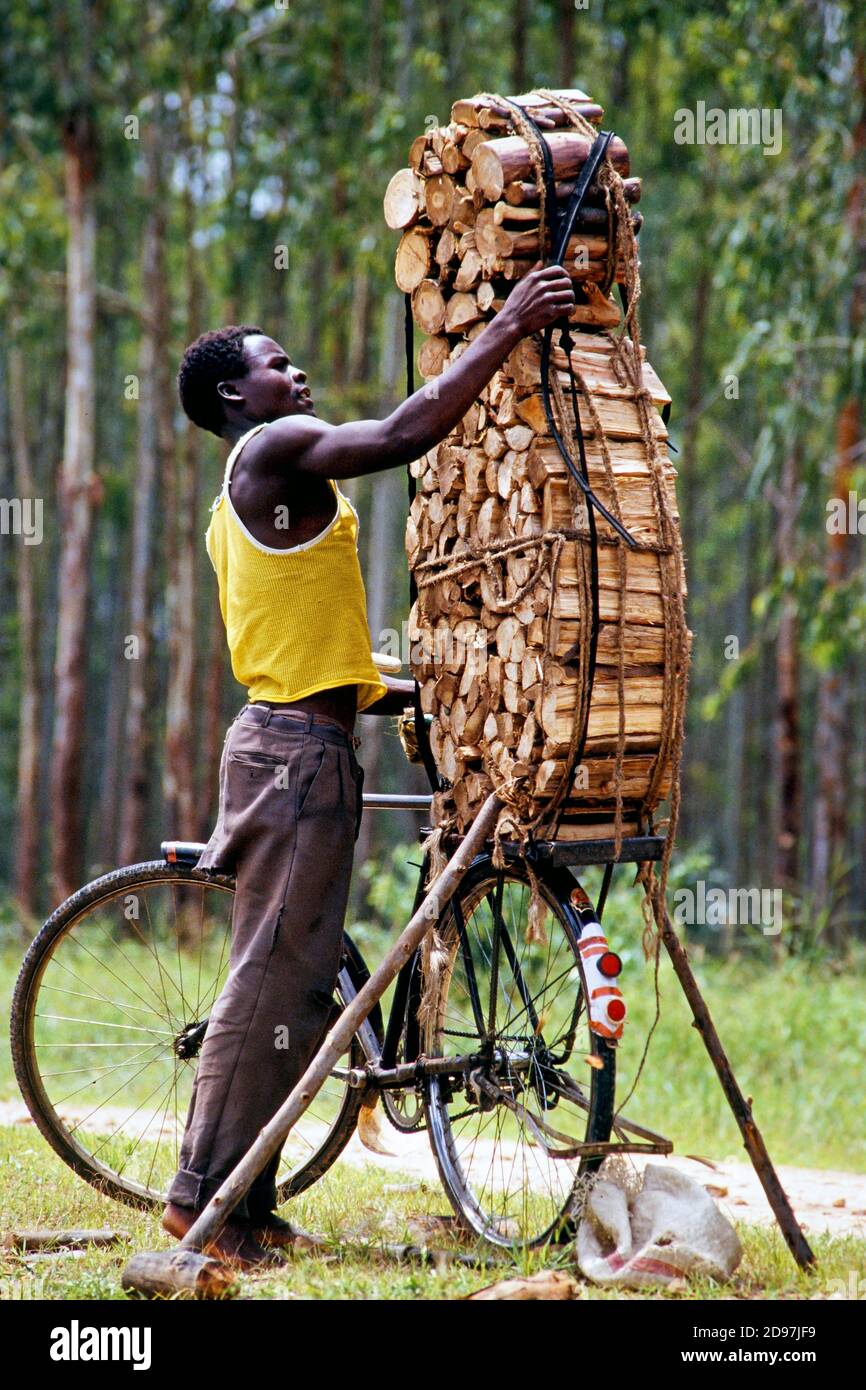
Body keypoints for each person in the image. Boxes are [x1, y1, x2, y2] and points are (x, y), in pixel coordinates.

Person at [161, 262, 576, 1268]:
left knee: (300, 985)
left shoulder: (245, 497)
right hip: (294, 760)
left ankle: (246, 1205)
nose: (295, 374)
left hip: (298, 744)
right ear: (234, 396)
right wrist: (507, 324)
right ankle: (194, 1204)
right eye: (276, 363)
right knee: (269, 980)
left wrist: (407, 690)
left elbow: (300, 647)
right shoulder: (276, 449)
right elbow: (402, 432)